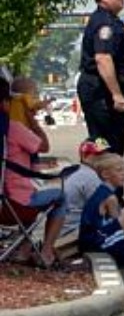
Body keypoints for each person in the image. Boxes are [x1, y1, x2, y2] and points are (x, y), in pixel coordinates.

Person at [1, 79, 73, 269]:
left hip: (10, 201)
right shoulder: (13, 128)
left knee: (34, 194)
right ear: (5, 104)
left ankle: (24, 248)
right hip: (11, 204)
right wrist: (32, 121)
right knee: (59, 197)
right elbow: (44, 145)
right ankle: (46, 251)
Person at [77, 0, 124, 156]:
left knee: (114, 147)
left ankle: (111, 184)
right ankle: (106, 185)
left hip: (105, 92)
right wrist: (116, 95)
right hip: (101, 93)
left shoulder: (112, 21)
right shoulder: (104, 23)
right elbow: (103, 58)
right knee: (107, 152)